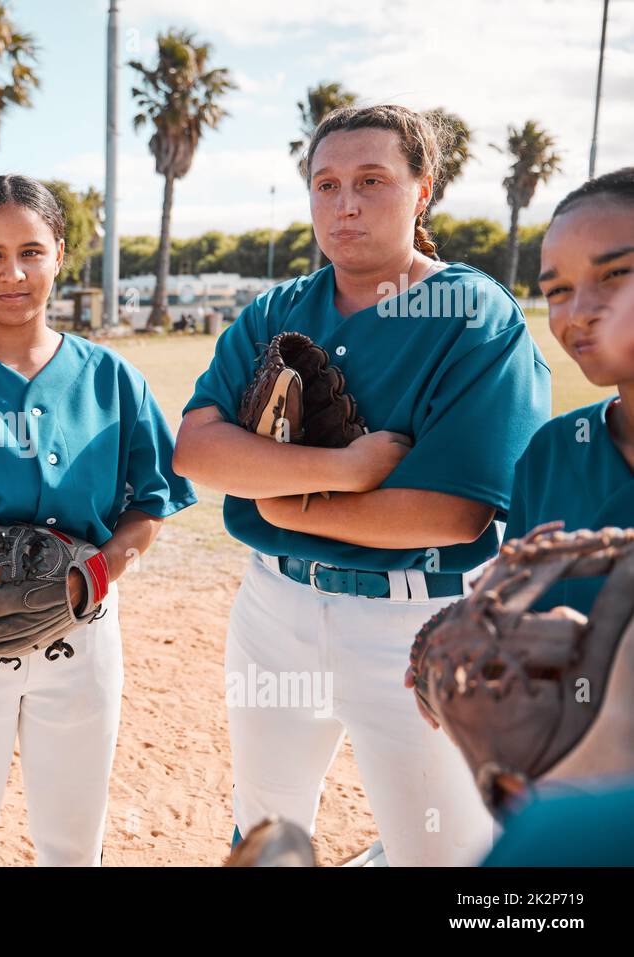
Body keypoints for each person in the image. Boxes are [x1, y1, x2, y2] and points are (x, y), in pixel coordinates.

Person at [172, 105, 552, 866]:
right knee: (266, 837)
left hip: (413, 625)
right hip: (272, 612)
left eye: (371, 181)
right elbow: (197, 450)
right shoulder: (278, 309)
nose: (344, 203)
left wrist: (280, 498)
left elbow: (451, 511)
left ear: (422, 193)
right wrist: (340, 472)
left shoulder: (474, 315)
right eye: (326, 183)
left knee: (442, 854)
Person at [0, 175, 196, 866]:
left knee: (72, 840)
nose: (12, 272)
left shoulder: (109, 376)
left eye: (31, 249)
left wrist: (95, 569)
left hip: (84, 621)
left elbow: (153, 499)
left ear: (60, 252)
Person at [501, 168, 634, 612]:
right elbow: (511, 616)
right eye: (558, 289)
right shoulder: (551, 452)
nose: (578, 313)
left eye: (614, 272)